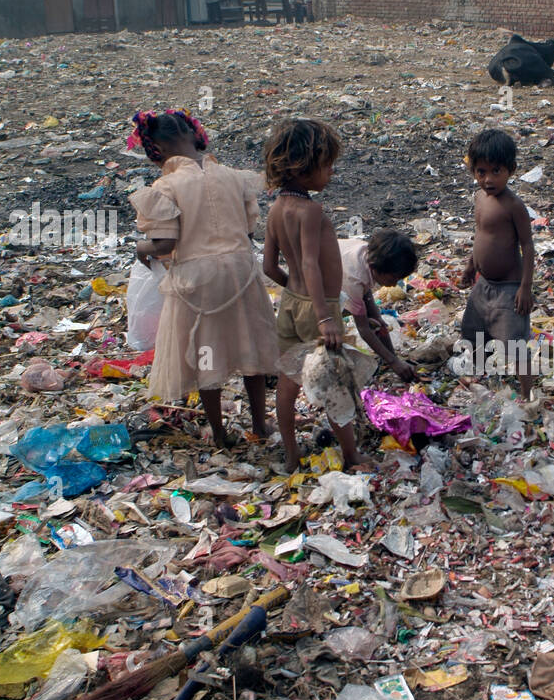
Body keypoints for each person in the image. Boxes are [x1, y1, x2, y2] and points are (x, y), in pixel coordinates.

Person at [127, 109, 279, 447]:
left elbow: (166, 243)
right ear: (193, 134)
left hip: (198, 280)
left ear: (158, 148)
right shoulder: (233, 176)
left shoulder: (166, 186)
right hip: (241, 270)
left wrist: (142, 247)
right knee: (250, 344)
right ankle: (259, 423)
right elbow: (248, 228)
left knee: (207, 352)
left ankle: (220, 433)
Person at [261, 119, 371, 471]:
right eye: (327, 165)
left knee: (287, 382)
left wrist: (293, 294)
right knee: (335, 380)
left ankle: (292, 455)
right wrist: (323, 315)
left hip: (290, 306)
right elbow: (310, 263)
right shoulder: (311, 211)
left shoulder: (276, 209)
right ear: (304, 168)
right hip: (316, 309)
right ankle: (351, 455)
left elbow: (269, 267)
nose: (331, 172)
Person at [459, 129, 536, 400]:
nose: (488, 179)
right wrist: (471, 265)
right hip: (484, 285)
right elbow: (480, 234)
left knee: (515, 345)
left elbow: (527, 246)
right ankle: (483, 374)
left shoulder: (513, 206)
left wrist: (525, 288)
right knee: (474, 331)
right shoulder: (480, 198)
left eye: (496, 171)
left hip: (508, 288)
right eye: (481, 172)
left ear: (511, 170)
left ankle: (527, 395)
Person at [342, 230, 419, 381]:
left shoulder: (370, 254)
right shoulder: (353, 279)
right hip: (313, 288)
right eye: (393, 278)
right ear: (376, 268)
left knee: (376, 320)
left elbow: (366, 291)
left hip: (340, 273)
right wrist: (394, 362)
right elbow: (364, 329)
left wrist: (377, 316)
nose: (395, 283)